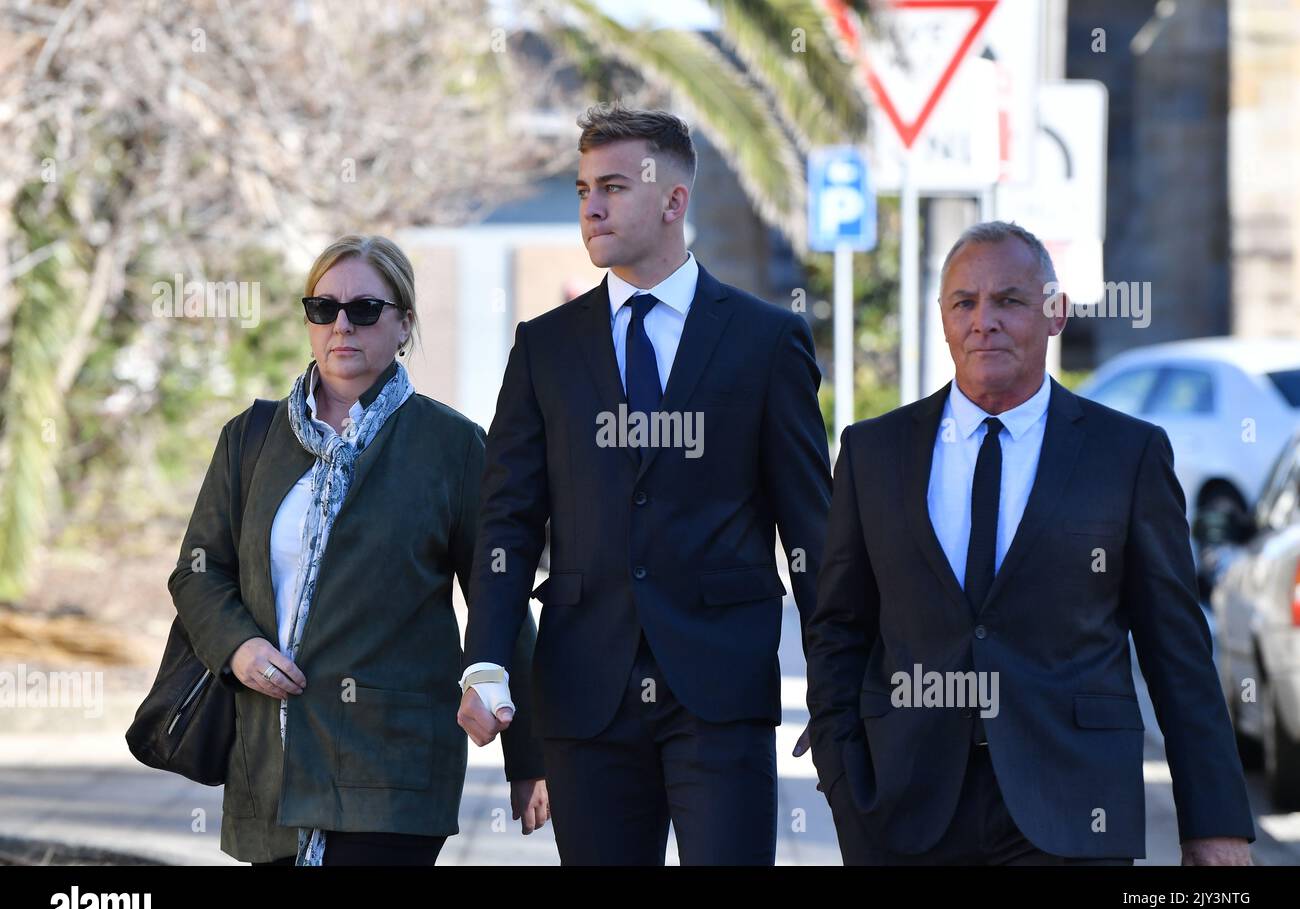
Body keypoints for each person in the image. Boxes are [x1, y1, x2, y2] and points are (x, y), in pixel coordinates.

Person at [806, 220, 1256, 865]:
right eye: (965, 302)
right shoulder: (873, 452)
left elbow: (1176, 651)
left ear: (1055, 313)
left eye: (1009, 300)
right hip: (905, 811)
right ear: (943, 317)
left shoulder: (1125, 454)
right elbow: (838, 629)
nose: (983, 320)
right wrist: (845, 777)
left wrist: (1214, 824)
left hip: (1075, 812)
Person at [457, 104, 832, 865]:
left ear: (673, 200)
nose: (592, 206)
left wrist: (838, 684)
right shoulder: (545, 347)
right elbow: (507, 521)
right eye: (584, 188)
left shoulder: (766, 341)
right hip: (585, 687)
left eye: (615, 187)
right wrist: (488, 659)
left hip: (720, 689)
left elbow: (811, 529)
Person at [169, 235, 545, 865]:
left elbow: (498, 594)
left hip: (393, 768)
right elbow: (199, 572)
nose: (341, 324)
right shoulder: (251, 439)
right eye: (323, 308)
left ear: (404, 324)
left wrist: (529, 755)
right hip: (271, 762)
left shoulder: (452, 446)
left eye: (365, 309)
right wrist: (238, 647)